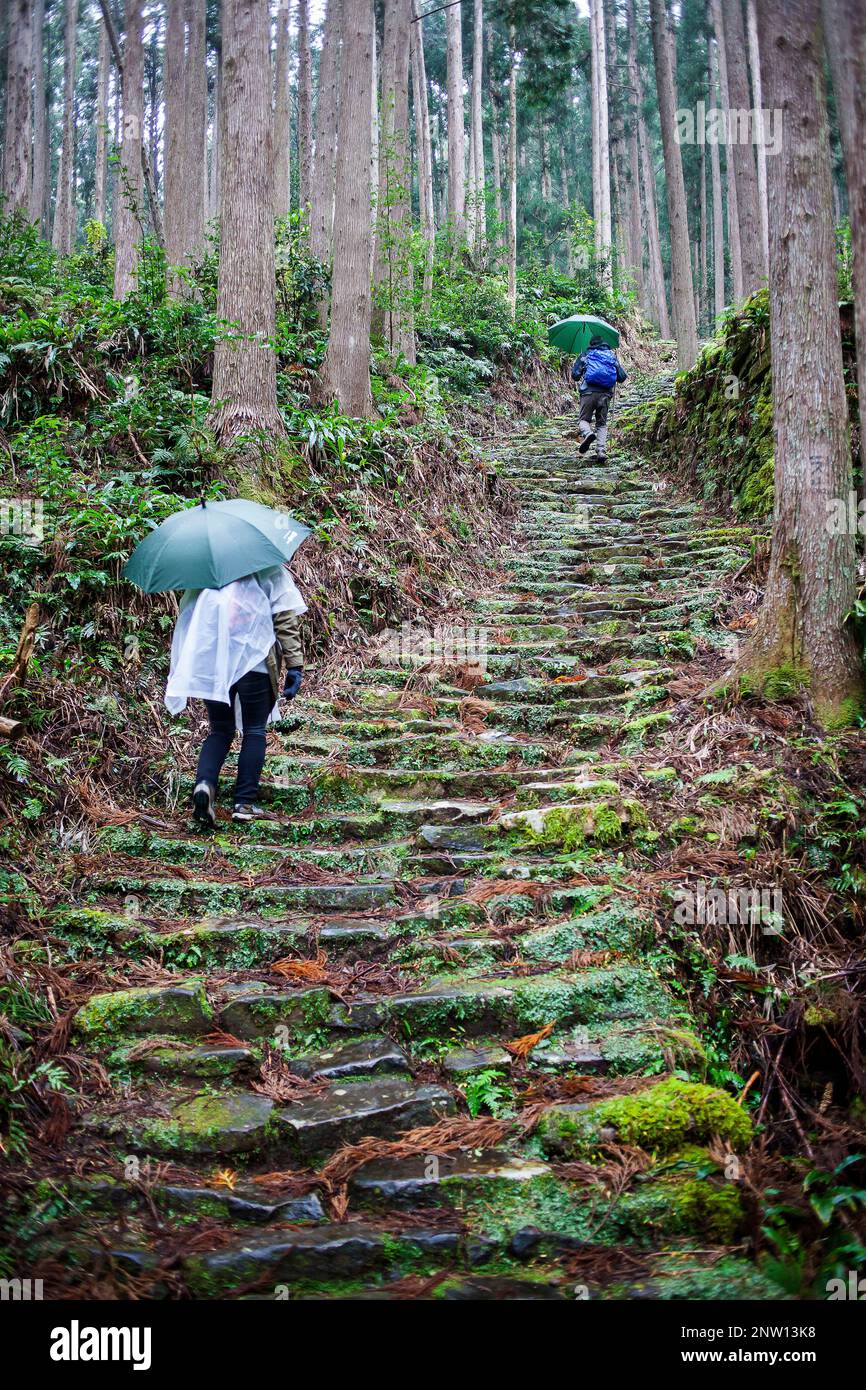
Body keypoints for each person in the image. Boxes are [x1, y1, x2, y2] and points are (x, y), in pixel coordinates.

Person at [164, 564, 306, 825]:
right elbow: (284, 615)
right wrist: (295, 664)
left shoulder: (205, 569)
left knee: (220, 730)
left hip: (216, 663)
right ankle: (244, 803)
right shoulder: (266, 565)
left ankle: (205, 785)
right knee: (254, 730)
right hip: (256, 661)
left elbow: (192, 617)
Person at [571, 335, 627, 460]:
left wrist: (580, 364)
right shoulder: (611, 356)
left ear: (591, 344)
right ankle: (601, 451)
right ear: (604, 344)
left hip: (588, 393)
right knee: (601, 423)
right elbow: (622, 377)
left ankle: (588, 433)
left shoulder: (586, 355)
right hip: (605, 394)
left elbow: (575, 375)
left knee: (583, 420)